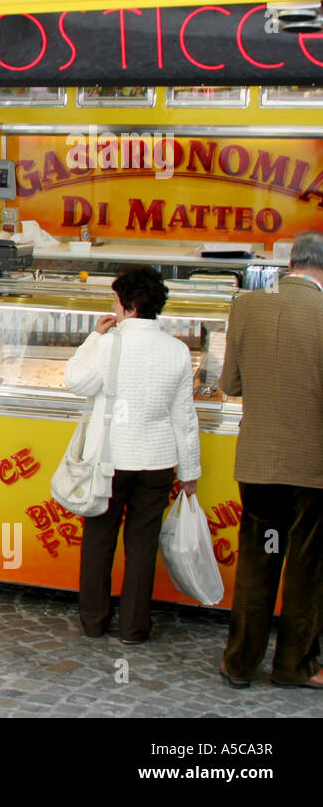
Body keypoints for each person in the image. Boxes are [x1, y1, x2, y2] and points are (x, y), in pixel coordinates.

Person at [64, 266, 201, 645]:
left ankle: (93, 621)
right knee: (142, 545)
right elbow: (184, 417)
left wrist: (94, 336)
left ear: (127, 306)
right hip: (157, 462)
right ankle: (134, 628)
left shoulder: (109, 343)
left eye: (115, 300)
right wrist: (190, 471)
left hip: (109, 460)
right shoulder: (178, 350)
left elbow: (75, 381)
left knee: (99, 539)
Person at [218, 231, 323, 689]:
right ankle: (294, 666)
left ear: (292, 262)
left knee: (260, 559)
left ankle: (239, 663)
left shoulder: (245, 306)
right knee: (307, 568)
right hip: (314, 467)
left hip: (258, 461)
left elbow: (232, 384)